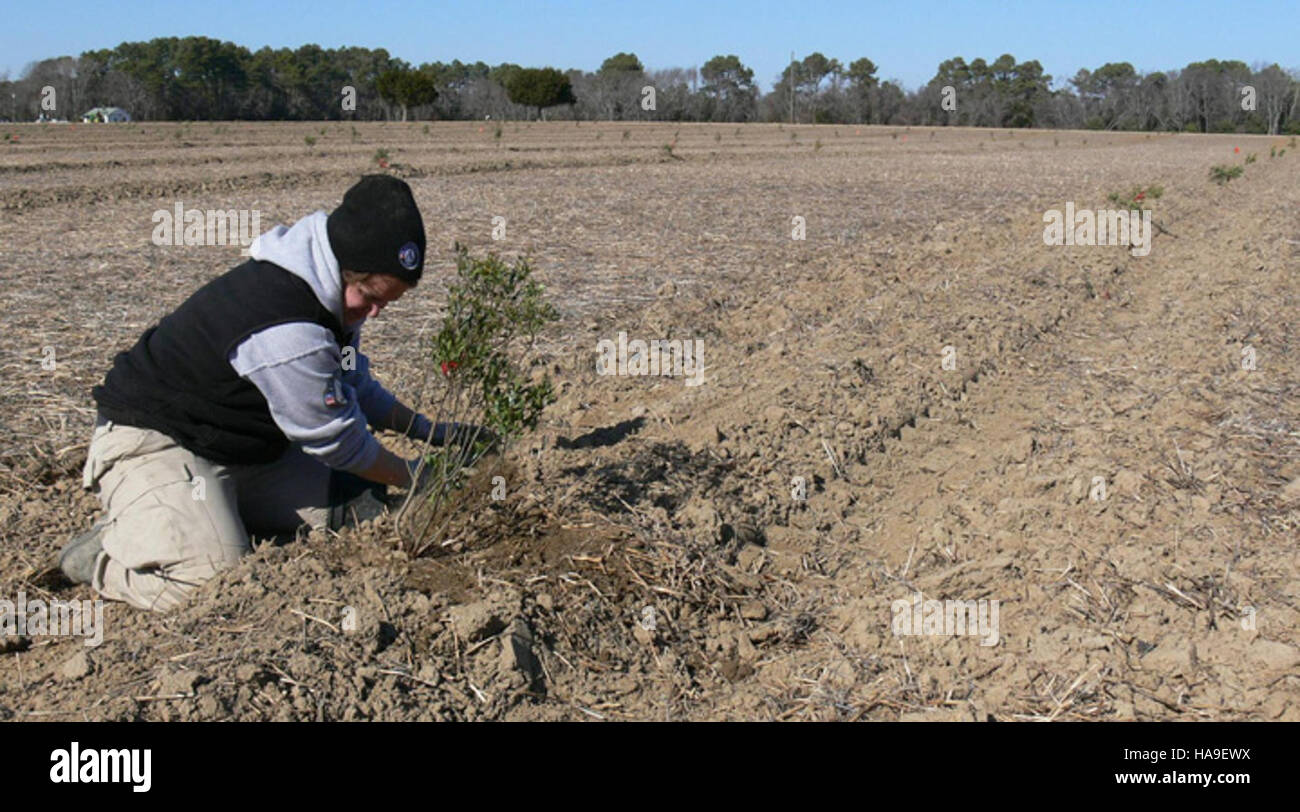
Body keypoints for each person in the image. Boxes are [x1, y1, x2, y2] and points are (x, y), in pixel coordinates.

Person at [62, 175, 456, 611]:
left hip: (237, 449)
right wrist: (418, 476)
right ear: (346, 268)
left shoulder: (337, 297)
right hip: (154, 440)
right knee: (214, 585)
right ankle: (106, 556)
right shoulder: (288, 326)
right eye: (369, 297)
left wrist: (431, 431)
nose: (374, 313)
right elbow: (340, 442)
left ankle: (198, 517)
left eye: (387, 303)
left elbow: (354, 385)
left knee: (354, 507)